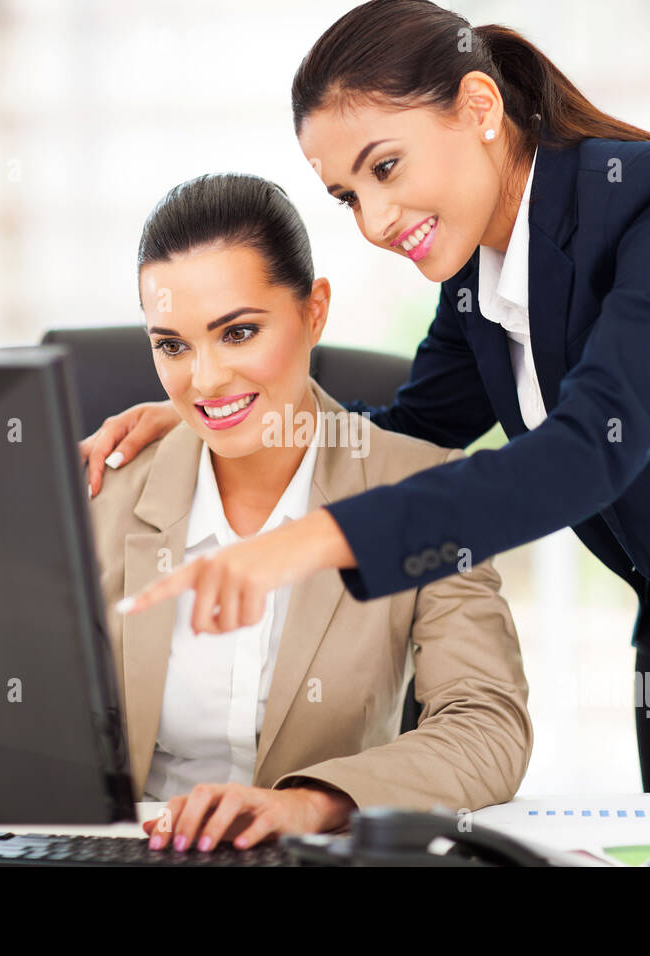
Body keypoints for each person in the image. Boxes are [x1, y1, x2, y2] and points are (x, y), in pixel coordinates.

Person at [89, 0, 650, 790]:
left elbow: (589, 451)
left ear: (478, 108)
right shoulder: (482, 282)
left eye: (386, 167)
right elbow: (404, 432)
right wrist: (227, 413)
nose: (377, 220)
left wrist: (306, 542)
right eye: (348, 195)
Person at [91, 171, 531, 852]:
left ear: (314, 310)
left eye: (237, 333)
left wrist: (314, 803)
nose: (204, 380)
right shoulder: (104, 492)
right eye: (172, 345)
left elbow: (487, 726)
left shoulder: (420, 486)